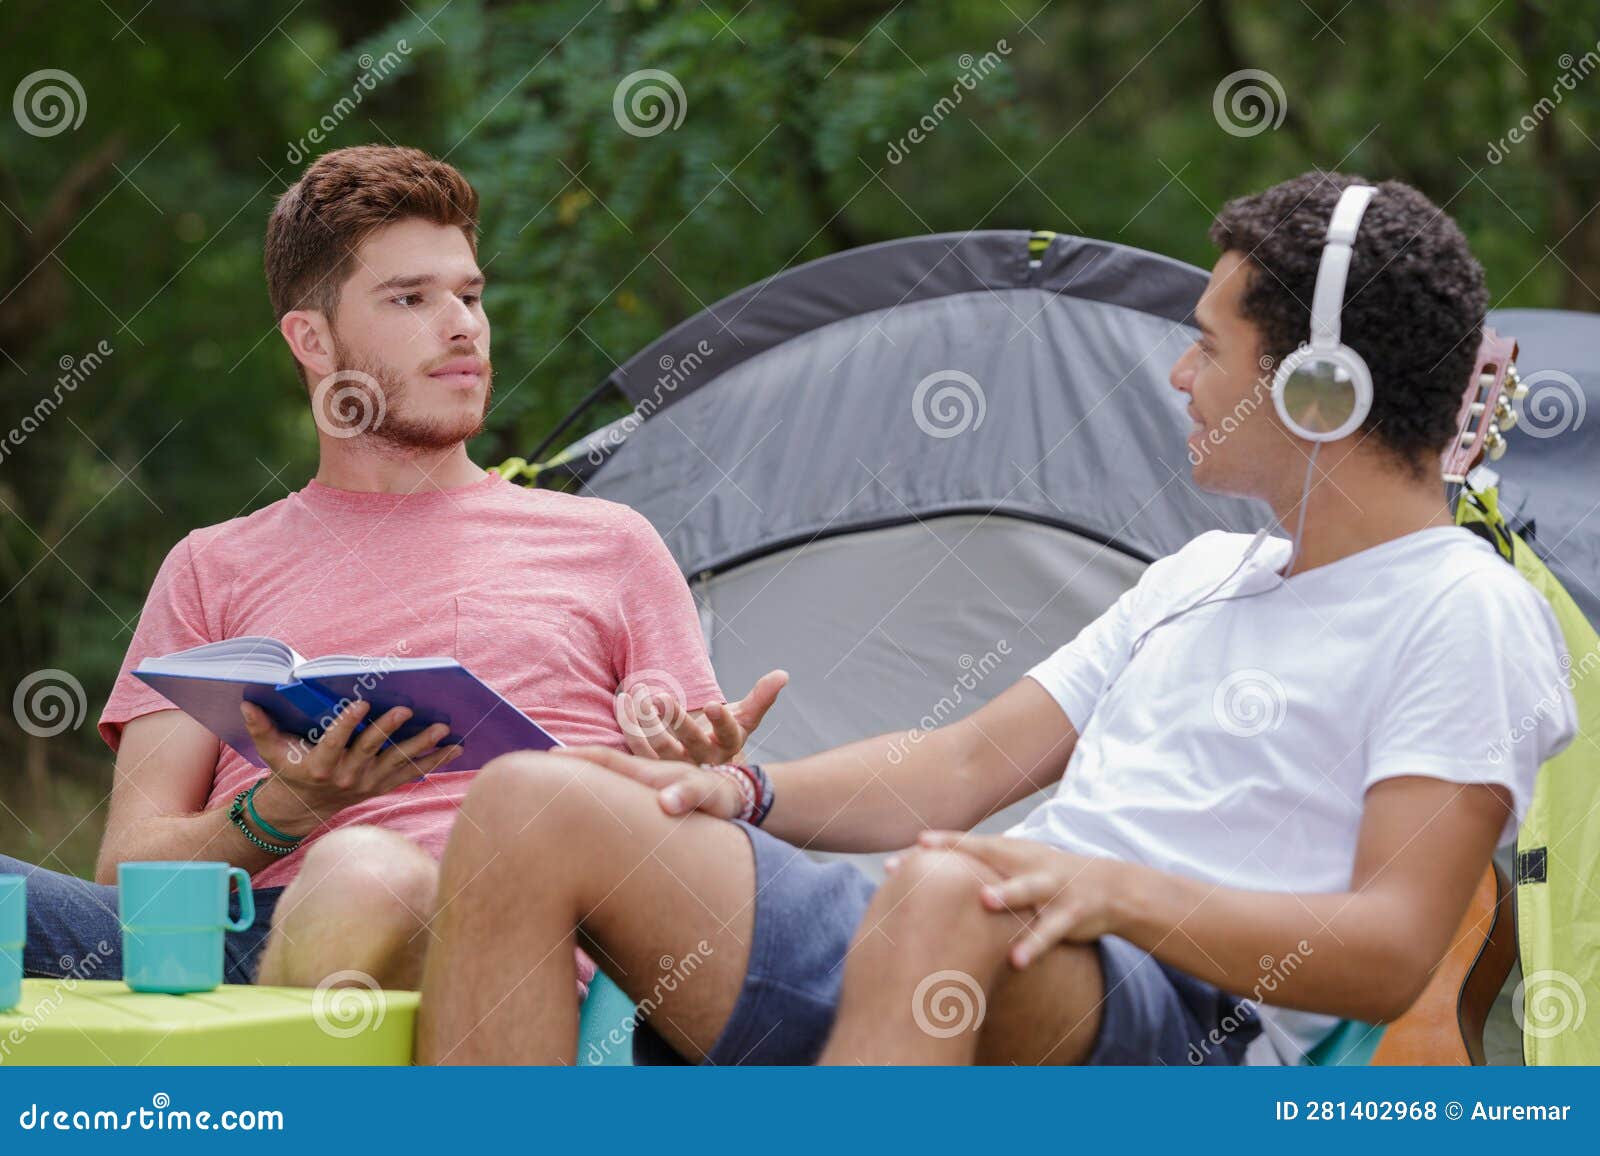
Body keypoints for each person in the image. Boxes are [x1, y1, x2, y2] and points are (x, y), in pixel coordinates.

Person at [414, 171, 1577, 1065]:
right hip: (976, 927)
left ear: (1322, 392)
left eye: (1209, 346)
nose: (1179, 378)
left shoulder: (1461, 608)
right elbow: (962, 763)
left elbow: (1388, 949)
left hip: (1180, 1019)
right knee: (537, 801)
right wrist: (750, 792)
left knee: (948, 888)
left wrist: (1112, 890)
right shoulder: (1203, 571)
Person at [2, 144, 784, 995]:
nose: (463, 326)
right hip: (251, 938)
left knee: (371, 875)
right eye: (411, 298)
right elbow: (130, 874)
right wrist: (287, 810)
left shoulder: (610, 544)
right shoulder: (211, 566)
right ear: (311, 338)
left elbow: (690, 824)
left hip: (524, 936)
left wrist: (690, 763)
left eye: (471, 295)